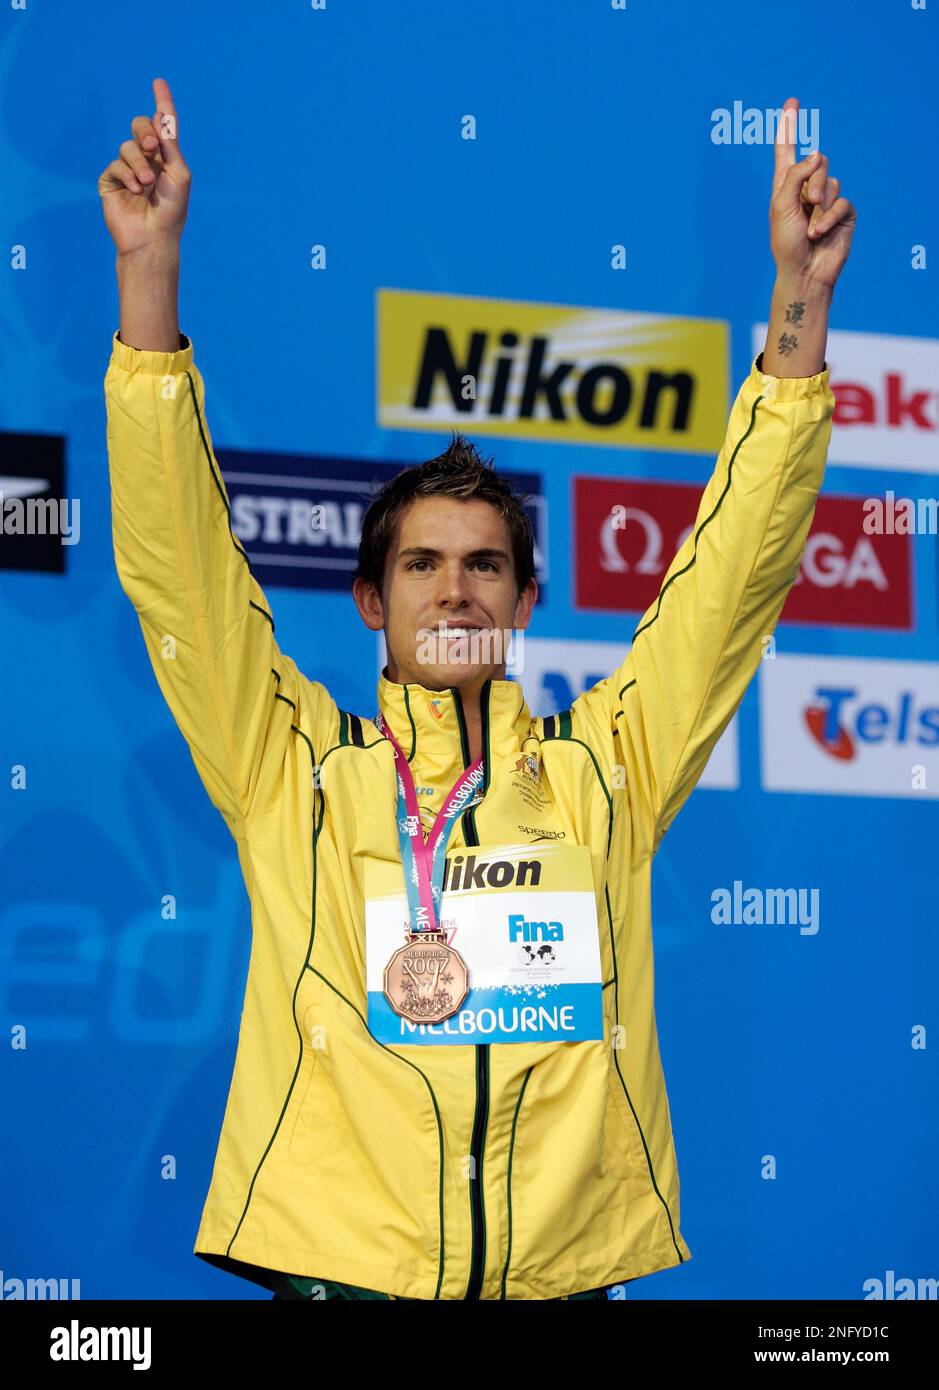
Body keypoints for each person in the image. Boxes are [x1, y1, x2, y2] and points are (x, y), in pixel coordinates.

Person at [99, 80, 855, 1301]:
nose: (455, 593)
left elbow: (734, 585)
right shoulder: (294, 766)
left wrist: (802, 303)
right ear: (370, 600)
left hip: (563, 1277)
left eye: (484, 566)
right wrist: (148, 290)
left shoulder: (605, 767)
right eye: (423, 566)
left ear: (522, 602)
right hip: (342, 1274)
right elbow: (178, 572)